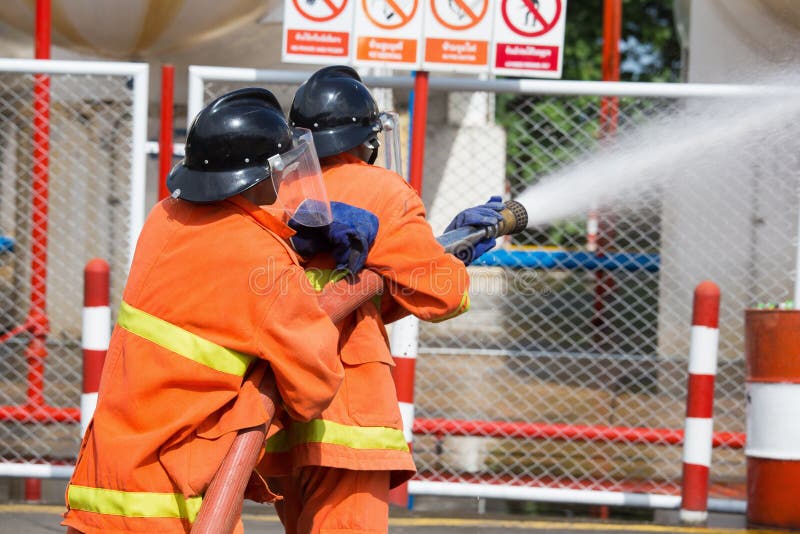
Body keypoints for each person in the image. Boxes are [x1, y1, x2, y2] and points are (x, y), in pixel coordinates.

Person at [62, 88, 377, 534]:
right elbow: (314, 387)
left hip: (104, 483)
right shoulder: (266, 263)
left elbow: (217, 264)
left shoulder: (164, 219)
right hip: (170, 500)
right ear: (264, 174)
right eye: (283, 168)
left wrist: (288, 232)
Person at [258, 65, 505, 534]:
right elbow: (442, 295)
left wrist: (429, 249)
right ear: (365, 138)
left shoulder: (275, 193)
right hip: (349, 410)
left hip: (279, 412)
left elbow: (355, 292)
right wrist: (453, 257)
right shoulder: (381, 190)